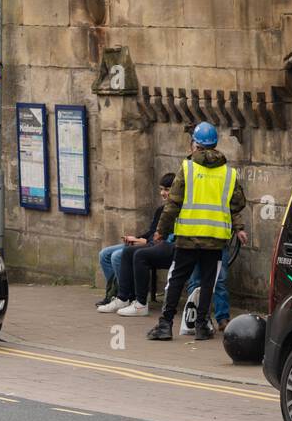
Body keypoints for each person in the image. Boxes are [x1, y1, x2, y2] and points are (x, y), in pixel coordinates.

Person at [147, 122, 247, 341]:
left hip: (188, 237)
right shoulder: (228, 173)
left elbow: (173, 203)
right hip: (215, 239)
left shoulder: (188, 168)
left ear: (196, 144)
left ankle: (165, 325)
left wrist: (161, 231)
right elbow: (238, 203)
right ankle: (202, 325)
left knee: (177, 280)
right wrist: (237, 226)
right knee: (209, 281)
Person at [96, 173, 174, 309]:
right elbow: (152, 232)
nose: (163, 193)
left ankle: (128, 295)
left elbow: (163, 239)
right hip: (147, 243)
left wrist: (143, 242)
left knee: (117, 256)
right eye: (161, 189)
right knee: (105, 254)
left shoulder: (176, 211)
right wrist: (137, 238)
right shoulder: (161, 210)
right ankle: (114, 293)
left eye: (167, 189)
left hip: (156, 247)